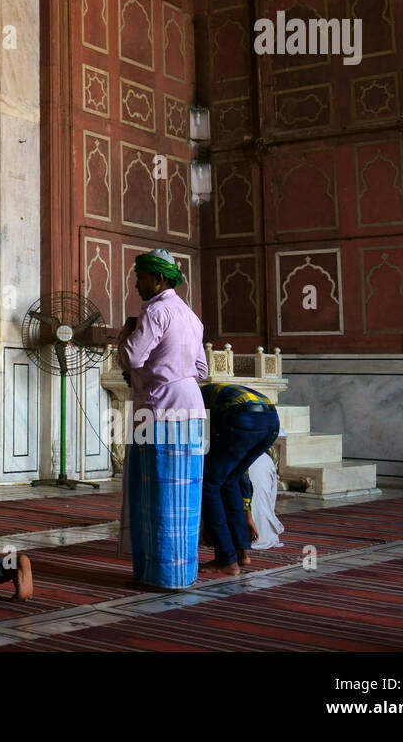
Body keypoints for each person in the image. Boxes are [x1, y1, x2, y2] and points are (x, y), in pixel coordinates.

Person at [116, 249, 207, 590]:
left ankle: (158, 575)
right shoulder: (190, 316)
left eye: (140, 277)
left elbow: (131, 357)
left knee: (155, 493)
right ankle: (182, 572)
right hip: (192, 408)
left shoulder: (155, 312)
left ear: (158, 279)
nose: (136, 284)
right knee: (184, 494)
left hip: (157, 410)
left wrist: (124, 334)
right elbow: (202, 369)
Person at [195, 380, 281, 574]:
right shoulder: (207, 394)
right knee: (230, 479)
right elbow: (241, 474)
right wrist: (247, 512)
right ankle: (242, 554)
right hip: (271, 421)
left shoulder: (191, 401)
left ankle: (226, 559)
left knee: (208, 484)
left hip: (244, 417)